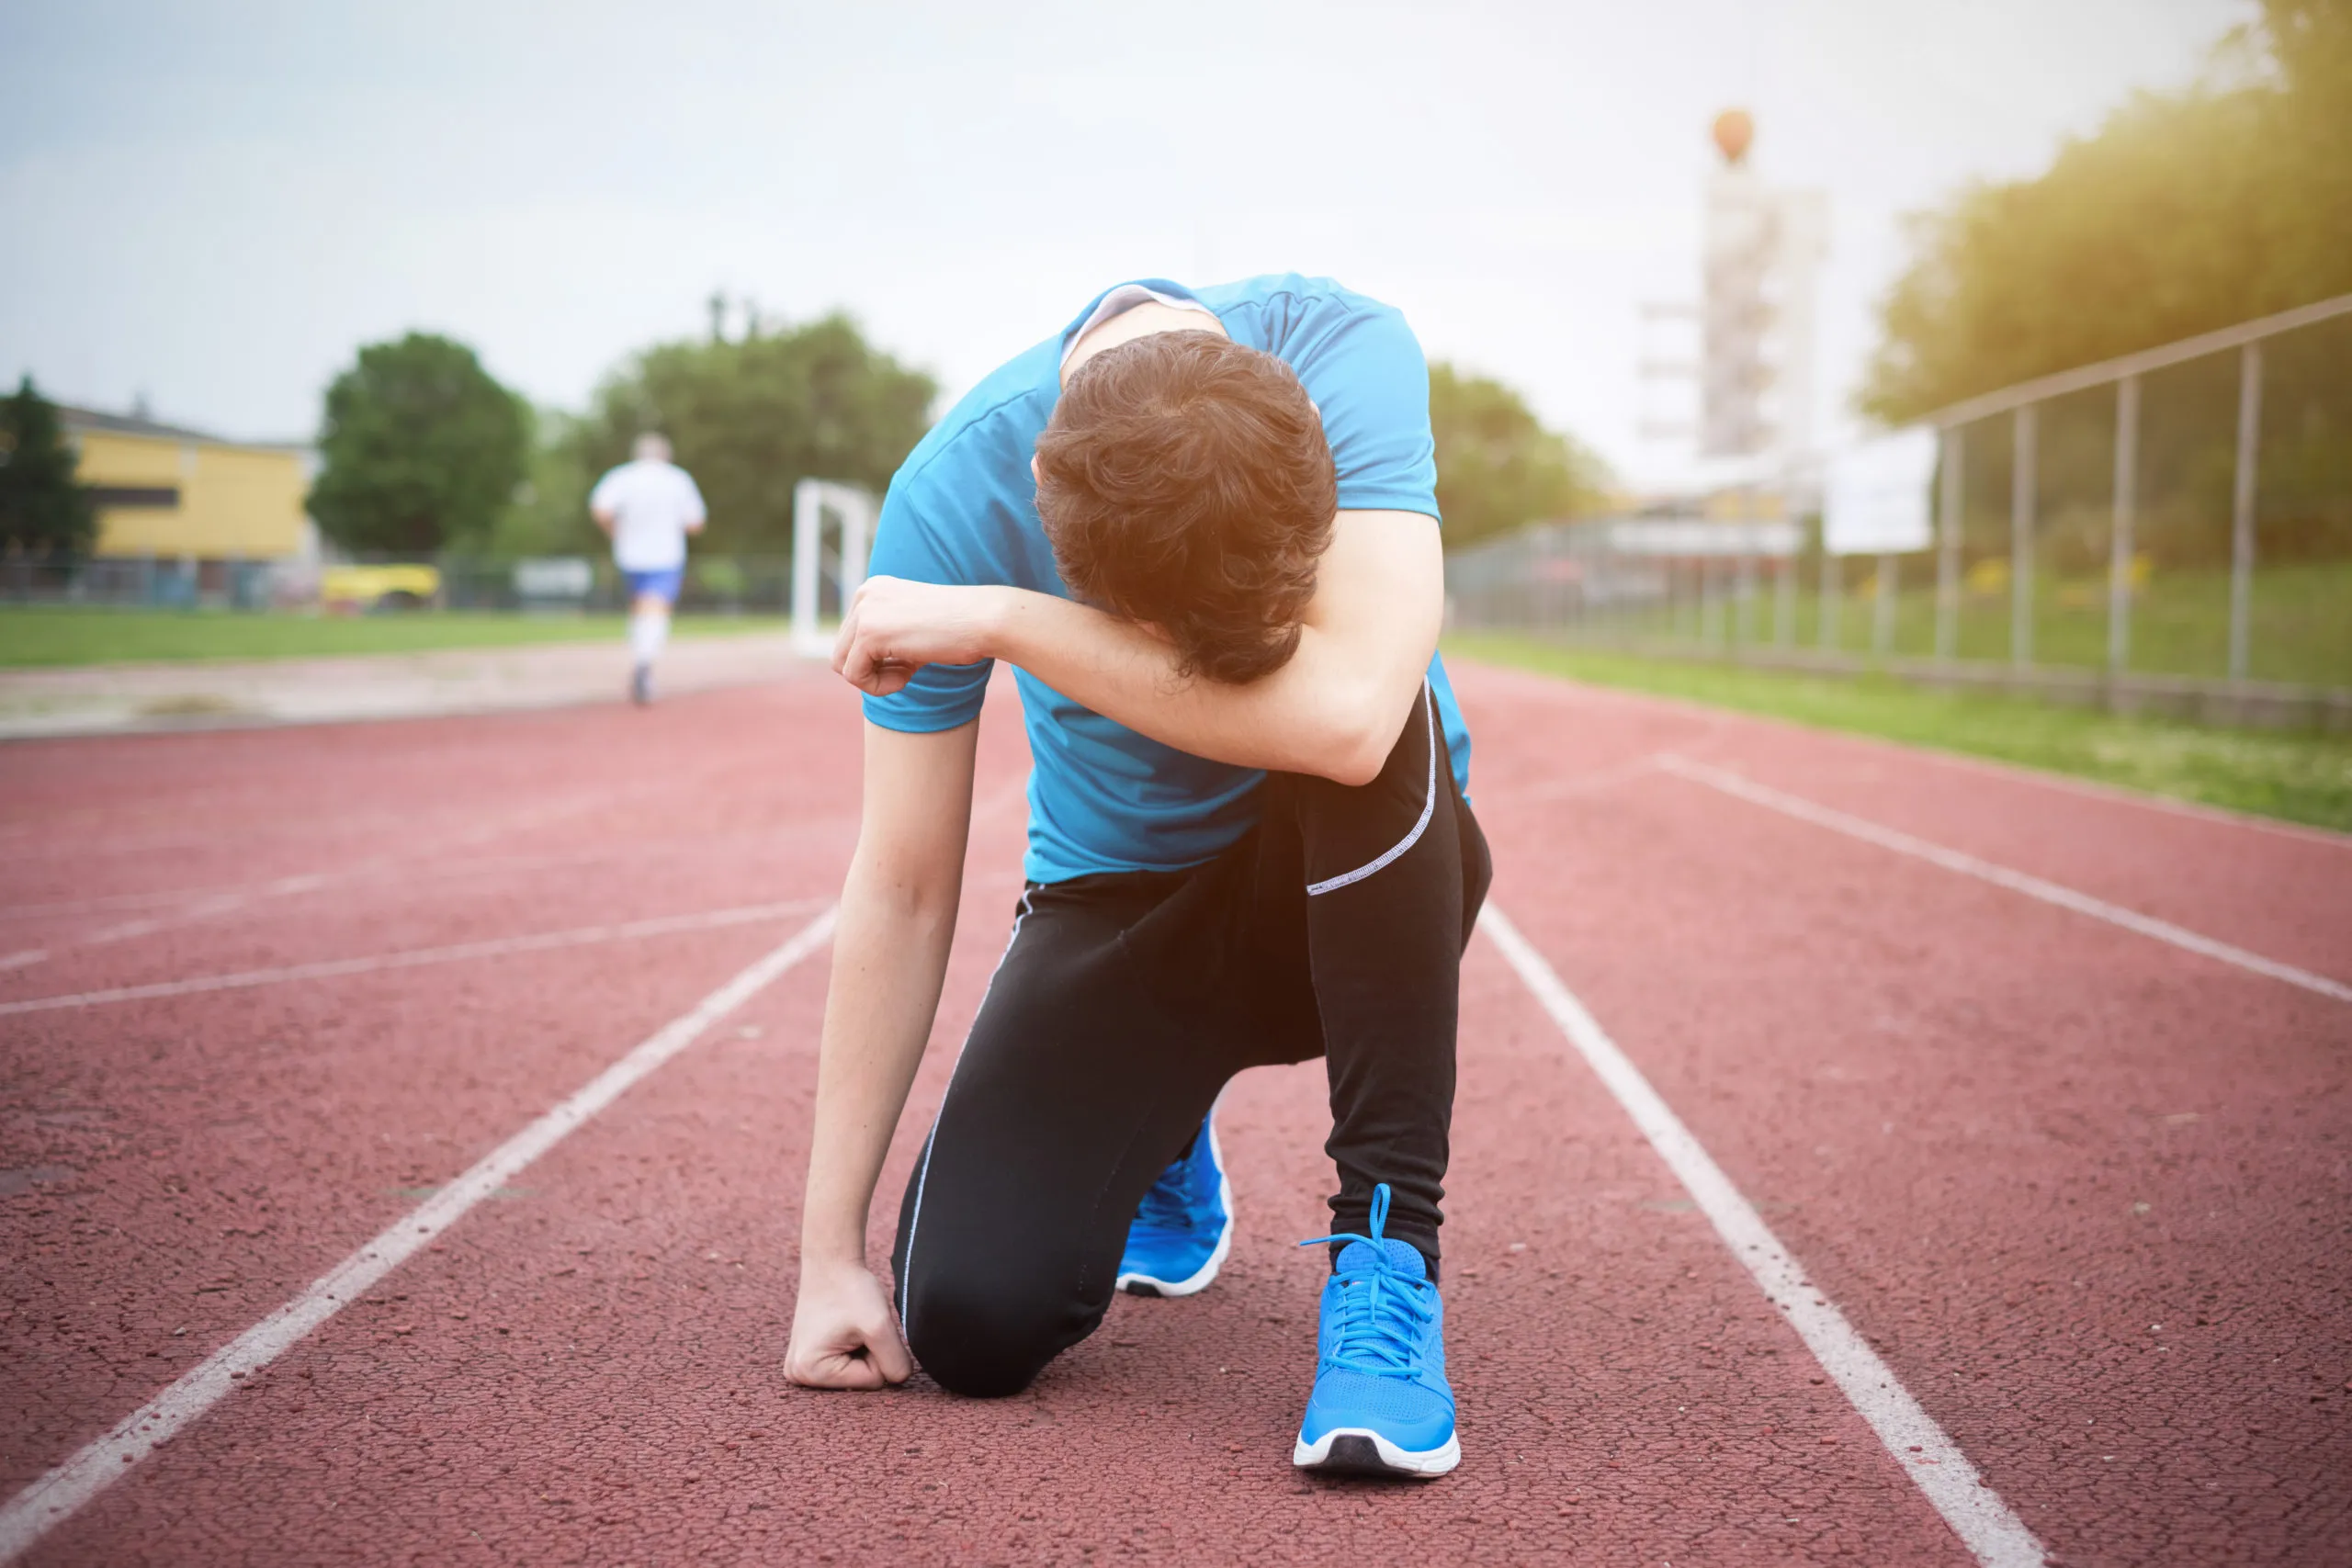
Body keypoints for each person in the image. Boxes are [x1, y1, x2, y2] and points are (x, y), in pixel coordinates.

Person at [784, 276, 1490, 1481]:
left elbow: (1351, 720)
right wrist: (826, 1251)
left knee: (1371, 718)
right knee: (968, 1322)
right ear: (1061, 532)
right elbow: (902, 882)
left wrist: (1006, 619)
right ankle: (1164, 1127)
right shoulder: (953, 494)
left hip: (1349, 886)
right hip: (1121, 900)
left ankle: (1385, 1257)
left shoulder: (1349, 354)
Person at [589, 433, 707, 705]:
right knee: (655, 610)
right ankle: (644, 665)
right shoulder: (678, 479)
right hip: (665, 556)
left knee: (639, 609)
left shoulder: (620, 476)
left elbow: (600, 509)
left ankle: (641, 662)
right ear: (665, 455)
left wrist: (615, 532)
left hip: (629, 555)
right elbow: (696, 522)